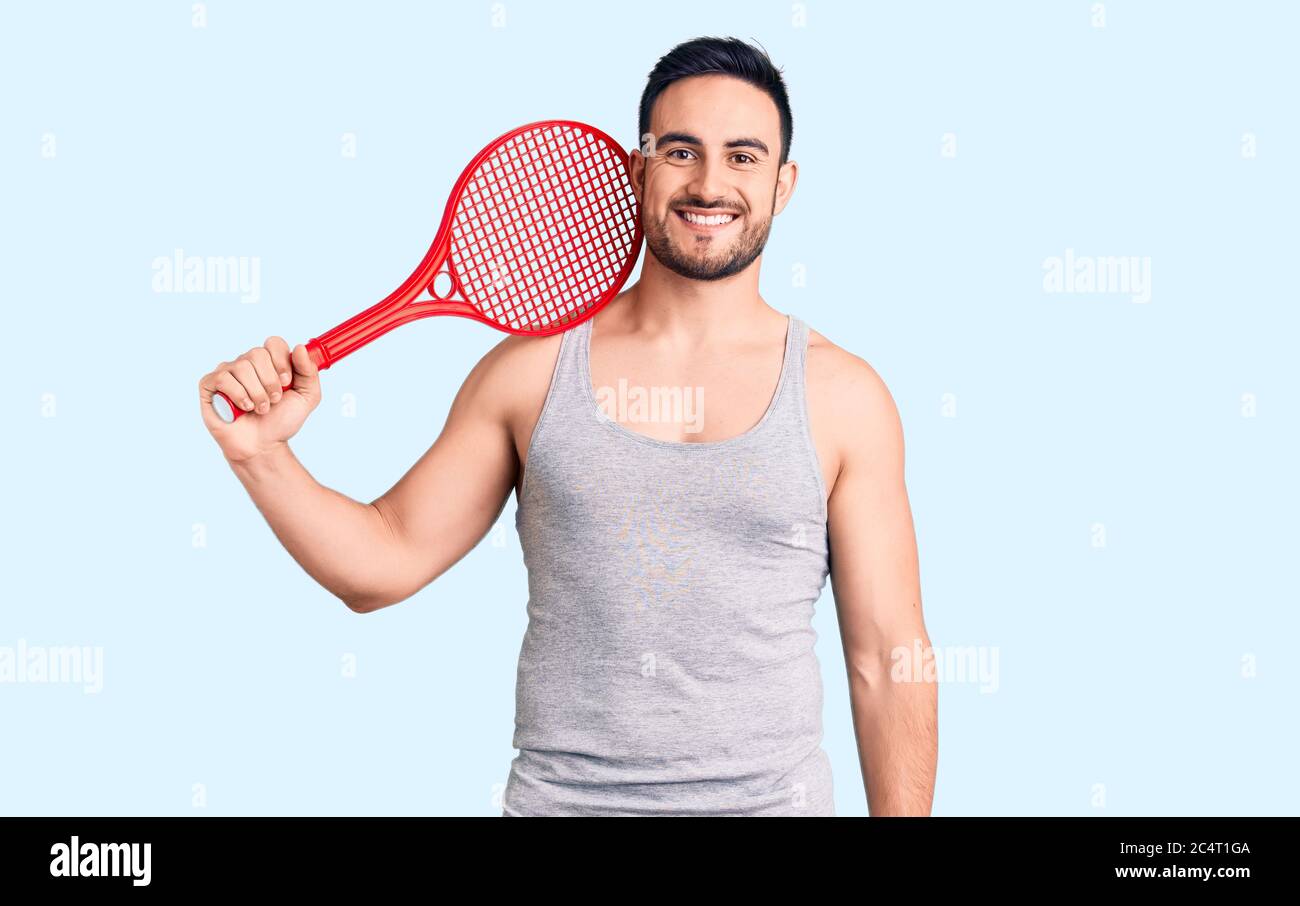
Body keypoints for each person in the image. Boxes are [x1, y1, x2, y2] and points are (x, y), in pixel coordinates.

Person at [198, 36, 936, 817]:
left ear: (784, 184)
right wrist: (261, 454)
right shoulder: (532, 372)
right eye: (681, 150)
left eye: (744, 157)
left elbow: (889, 660)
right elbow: (381, 563)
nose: (710, 183)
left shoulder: (844, 397)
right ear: (635, 168)